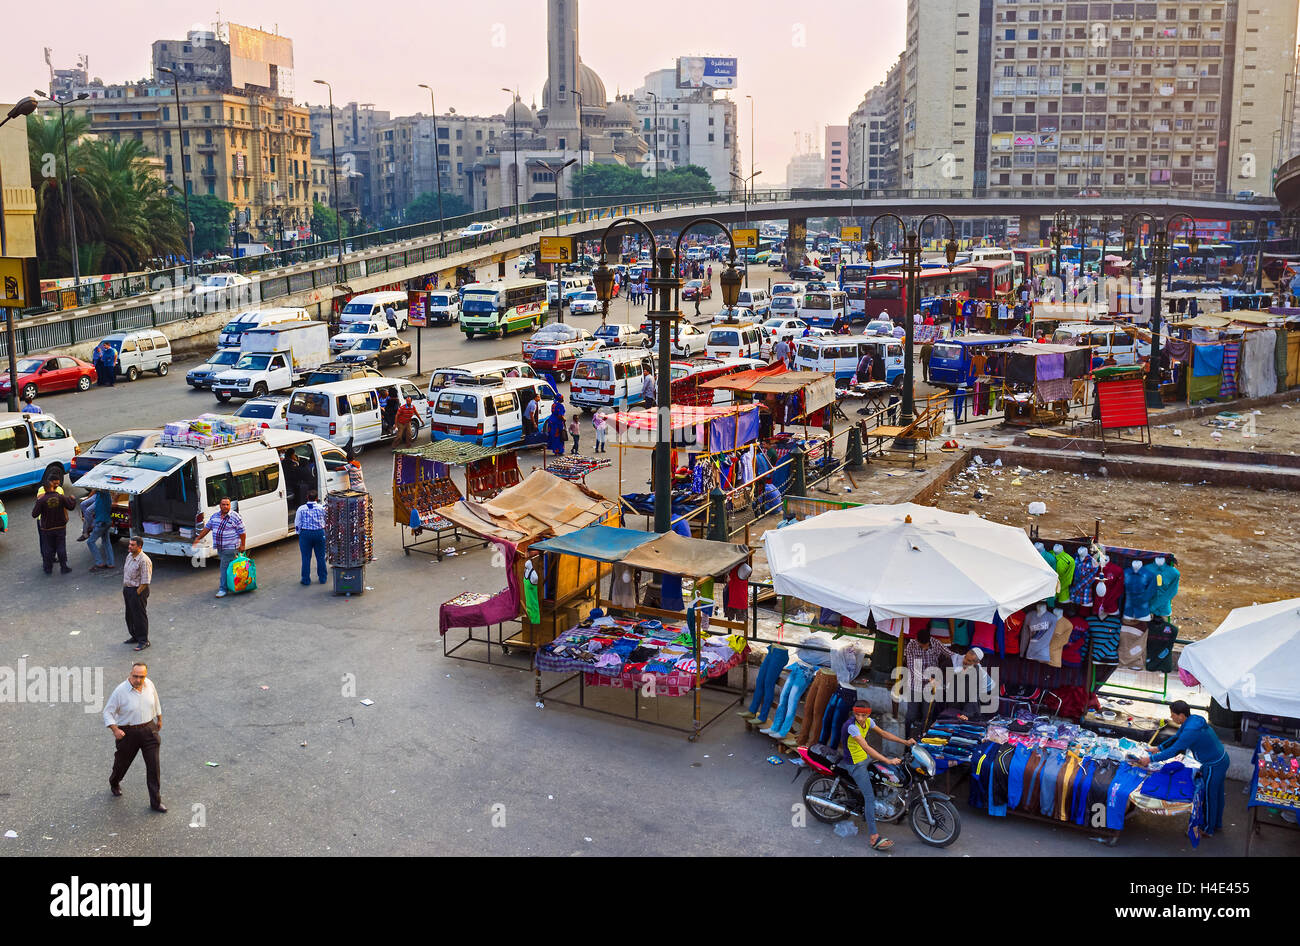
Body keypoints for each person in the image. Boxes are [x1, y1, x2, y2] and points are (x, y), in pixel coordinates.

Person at [1136, 700, 1228, 838]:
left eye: (1173, 715)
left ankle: (1208, 829)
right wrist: (1158, 748)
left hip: (1213, 765)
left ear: (1181, 715)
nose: (1171, 717)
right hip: (1221, 759)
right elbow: (1176, 738)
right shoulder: (1193, 720)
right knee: (1217, 794)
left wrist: (1149, 759)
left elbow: (1175, 750)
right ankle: (1217, 824)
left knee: (1210, 798)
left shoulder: (1190, 731)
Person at [843, 700, 915, 852]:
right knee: (870, 798)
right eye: (857, 715)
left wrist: (905, 742)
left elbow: (884, 734)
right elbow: (867, 747)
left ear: (868, 714)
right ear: (853, 713)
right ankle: (874, 837)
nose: (861, 718)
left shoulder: (868, 721)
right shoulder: (851, 727)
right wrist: (888, 760)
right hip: (855, 764)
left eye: (864, 715)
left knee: (884, 777)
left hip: (864, 758)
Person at [104, 661, 165, 812]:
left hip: (149, 730)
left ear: (146, 675)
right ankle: (114, 781)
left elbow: (156, 701)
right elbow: (107, 712)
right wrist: (115, 729)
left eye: (141, 676)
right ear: (130, 674)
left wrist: (159, 718)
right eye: (135, 676)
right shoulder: (120, 691)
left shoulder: (149, 684)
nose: (138, 680)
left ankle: (156, 802)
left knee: (154, 767)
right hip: (128, 732)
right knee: (122, 764)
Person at [902, 625, 955, 738]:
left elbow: (951, 655)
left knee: (928, 715)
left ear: (929, 639)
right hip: (914, 685)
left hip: (931, 687)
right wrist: (928, 678)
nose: (925, 648)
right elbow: (912, 668)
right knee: (911, 715)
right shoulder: (911, 646)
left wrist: (962, 660)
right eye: (922, 646)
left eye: (926, 646)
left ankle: (923, 738)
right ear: (917, 640)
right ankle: (906, 739)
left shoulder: (936, 643)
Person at [192, 497, 246, 598]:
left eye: (227, 505)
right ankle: (235, 583)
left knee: (224, 567)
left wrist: (242, 545)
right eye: (223, 504)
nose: (225, 506)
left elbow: (242, 532)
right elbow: (207, 528)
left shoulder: (235, 517)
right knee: (231, 567)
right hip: (220, 547)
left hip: (230, 547)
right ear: (220, 506)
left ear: (230, 506)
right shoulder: (215, 516)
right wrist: (198, 538)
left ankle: (223, 589)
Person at [32, 475, 76, 575]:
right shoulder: (60, 497)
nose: (57, 485)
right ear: (51, 486)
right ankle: (63, 567)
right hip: (60, 527)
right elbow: (70, 506)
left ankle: (48, 568)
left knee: (47, 547)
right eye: (54, 484)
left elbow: (34, 514)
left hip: (46, 528)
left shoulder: (42, 500)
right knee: (61, 546)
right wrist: (72, 499)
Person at [122, 536, 152, 650]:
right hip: (128, 589)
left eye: (132, 545)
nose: (129, 546)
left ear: (139, 547)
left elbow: (145, 581)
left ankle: (143, 640)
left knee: (139, 616)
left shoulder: (144, 560)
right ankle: (134, 636)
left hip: (138, 590)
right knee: (129, 615)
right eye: (129, 544)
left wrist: (137, 593)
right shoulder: (129, 556)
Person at [295, 490, 327, 586]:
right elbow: (326, 520)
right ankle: (322, 578)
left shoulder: (301, 509)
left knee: (306, 558)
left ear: (307, 497)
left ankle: (306, 580)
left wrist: (299, 533)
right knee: (320, 557)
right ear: (316, 498)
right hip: (319, 533)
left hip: (306, 534)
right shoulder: (322, 508)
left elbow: (297, 523)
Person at [89, 489, 115, 571]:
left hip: (101, 523)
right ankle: (111, 563)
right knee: (106, 541)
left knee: (90, 542)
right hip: (107, 522)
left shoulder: (102, 495)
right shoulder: (107, 496)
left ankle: (99, 562)